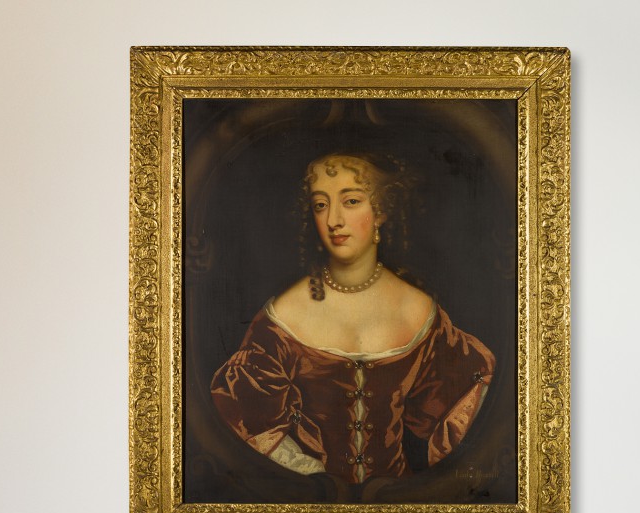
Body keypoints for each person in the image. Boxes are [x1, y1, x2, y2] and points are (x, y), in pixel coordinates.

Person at [211, 150, 495, 489]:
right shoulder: (283, 316)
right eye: (321, 204)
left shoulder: (419, 310)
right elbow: (249, 420)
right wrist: (313, 480)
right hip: (309, 501)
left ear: (381, 211)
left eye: (351, 201)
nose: (333, 220)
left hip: (396, 502)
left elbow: (465, 392)